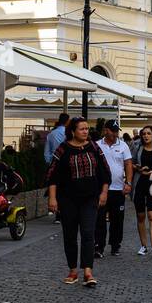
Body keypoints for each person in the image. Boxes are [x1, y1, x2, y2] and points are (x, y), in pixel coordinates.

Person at [46, 116, 110, 287]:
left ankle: (88, 271)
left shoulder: (94, 147)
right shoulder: (63, 149)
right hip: (68, 199)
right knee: (70, 235)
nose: (85, 131)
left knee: (88, 233)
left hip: (90, 198)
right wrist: (52, 198)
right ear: (73, 131)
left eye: (87, 129)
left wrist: (104, 192)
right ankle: (73, 270)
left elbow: (105, 171)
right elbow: (53, 175)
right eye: (82, 129)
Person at [94, 119, 133, 257]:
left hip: (118, 189)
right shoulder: (97, 145)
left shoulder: (123, 146)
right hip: (100, 189)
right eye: (113, 131)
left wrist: (128, 183)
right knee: (99, 219)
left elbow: (128, 164)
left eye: (117, 131)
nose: (115, 134)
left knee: (117, 219)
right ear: (106, 130)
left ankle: (115, 244)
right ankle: (99, 245)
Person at [132, 125, 152, 258]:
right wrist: (138, 168)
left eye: (149, 133)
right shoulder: (138, 148)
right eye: (144, 134)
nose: (146, 136)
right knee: (140, 216)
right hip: (139, 183)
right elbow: (130, 163)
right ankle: (143, 245)